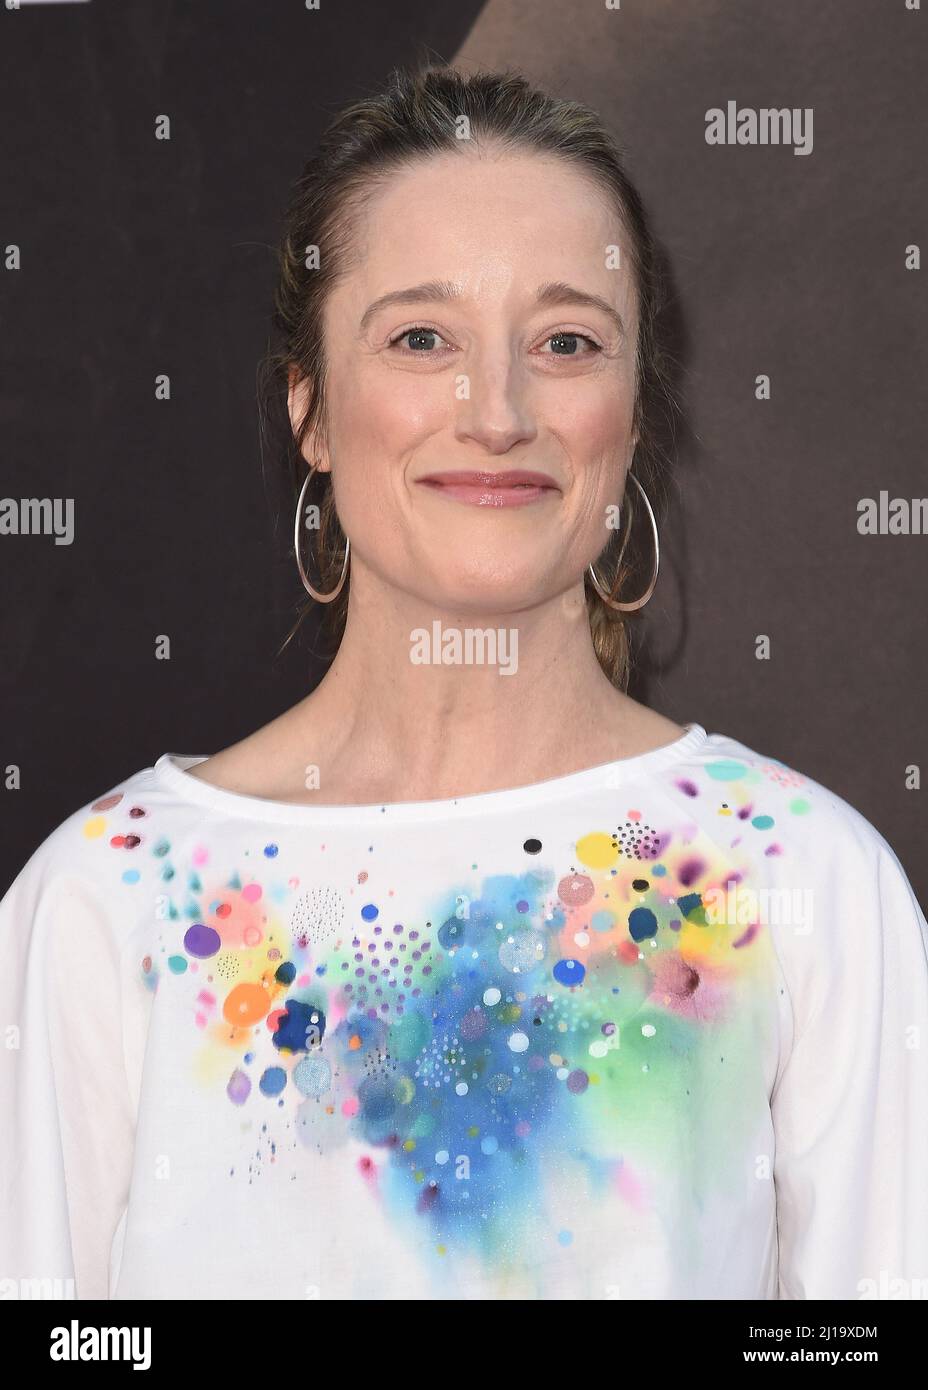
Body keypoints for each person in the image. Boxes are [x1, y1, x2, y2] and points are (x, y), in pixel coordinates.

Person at [1, 63, 926, 1302]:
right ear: (311, 412)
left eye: (564, 341)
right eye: (421, 337)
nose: (494, 412)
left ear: (633, 415)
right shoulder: (99, 903)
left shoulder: (806, 881)